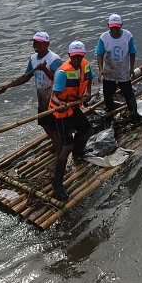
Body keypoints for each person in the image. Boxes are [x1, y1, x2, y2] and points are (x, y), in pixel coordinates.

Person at [48, 41, 94, 201]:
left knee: (88, 130)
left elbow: (89, 79)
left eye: (80, 57)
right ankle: (57, 184)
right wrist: (60, 105)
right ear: (69, 56)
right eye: (74, 57)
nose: (77, 60)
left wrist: (88, 93)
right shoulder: (62, 73)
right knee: (66, 146)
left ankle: (78, 152)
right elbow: (54, 96)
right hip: (62, 113)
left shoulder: (85, 65)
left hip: (74, 108)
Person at [0, 32, 62, 144]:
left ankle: (59, 148)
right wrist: (7, 86)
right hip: (42, 95)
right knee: (44, 123)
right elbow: (26, 77)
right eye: (34, 43)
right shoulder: (33, 59)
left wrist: (45, 70)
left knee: (53, 125)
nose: (36, 46)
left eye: (39, 43)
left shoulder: (54, 59)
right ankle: (56, 144)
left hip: (54, 96)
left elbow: (59, 80)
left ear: (47, 44)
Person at [95, 13, 138, 118]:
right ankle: (110, 110)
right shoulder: (104, 37)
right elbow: (99, 54)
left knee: (128, 93)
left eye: (117, 27)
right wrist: (101, 69)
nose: (115, 30)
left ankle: (133, 112)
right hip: (109, 70)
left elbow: (132, 52)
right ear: (108, 26)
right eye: (112, 27)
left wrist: (131, 68)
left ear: (121, 25)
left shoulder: (127, 36)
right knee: (107, 93)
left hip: (123, 70)